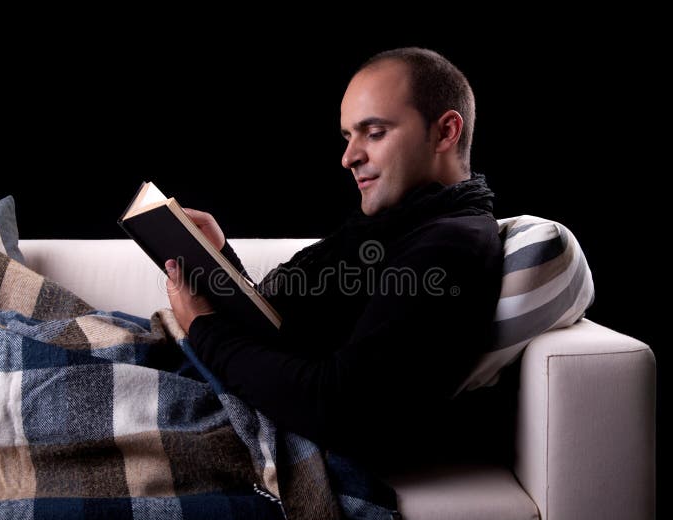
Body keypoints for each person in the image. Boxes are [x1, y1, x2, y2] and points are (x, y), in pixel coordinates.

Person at [165, 48, 505, 470]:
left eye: (374, 132)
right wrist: (220, 260)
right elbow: (290, 328)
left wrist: (203, 328)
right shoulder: (397, 222)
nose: (349, 158)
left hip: (242, 398)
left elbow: (337, 405)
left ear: (445, 132)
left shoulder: (450, 246)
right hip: (216, 367)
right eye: (348, 137)